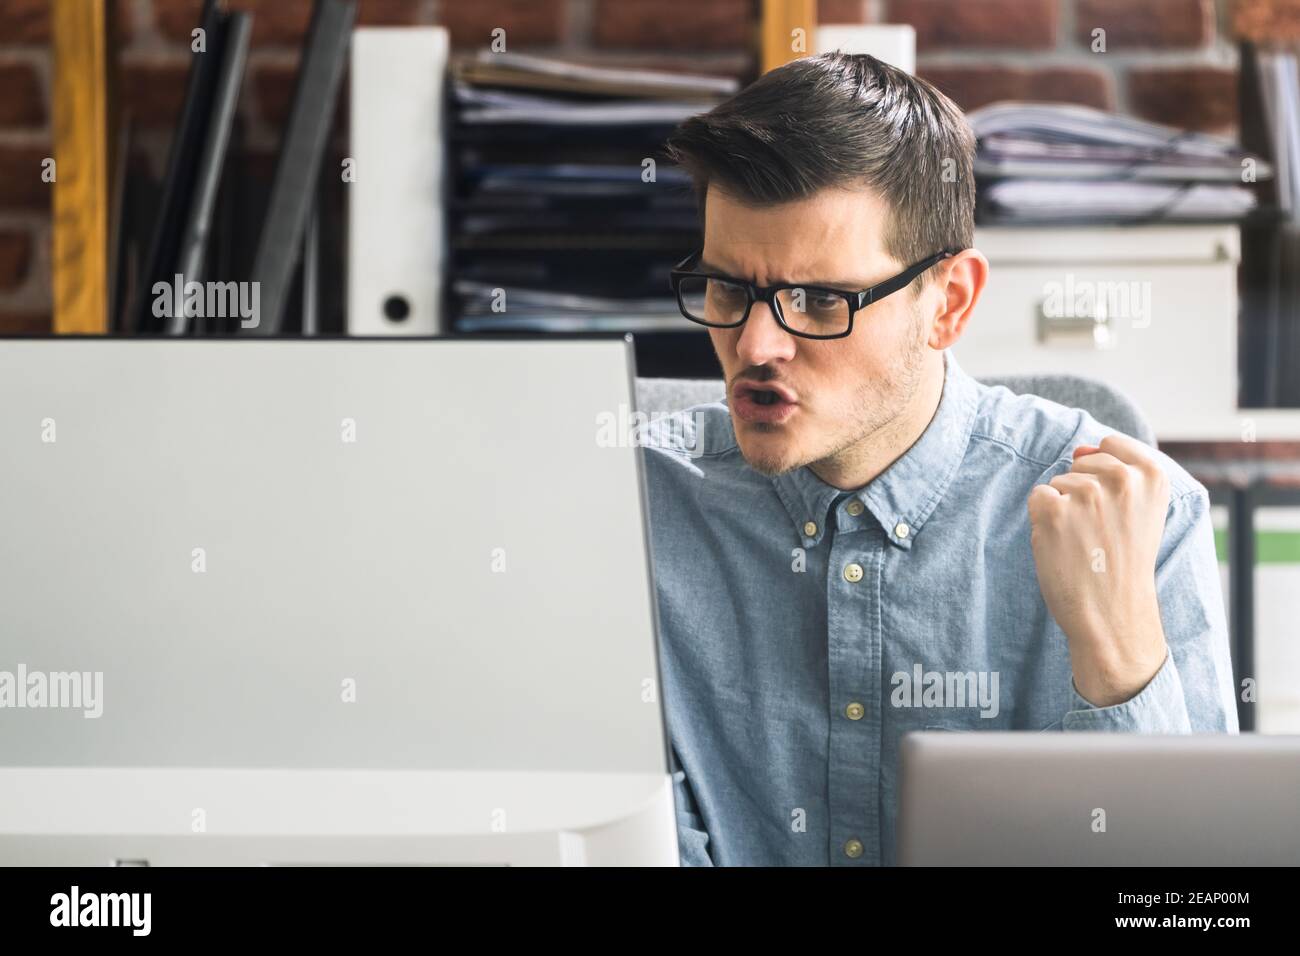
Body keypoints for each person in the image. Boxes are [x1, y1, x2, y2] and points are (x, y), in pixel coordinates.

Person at [641, 52, 1238, 867]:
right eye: (727, 290)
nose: (754, 345)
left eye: (820, 301)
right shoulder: (629, 510)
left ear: (948, 302)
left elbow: (1195, 906)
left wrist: (1121, 659)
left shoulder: (1142, 520)